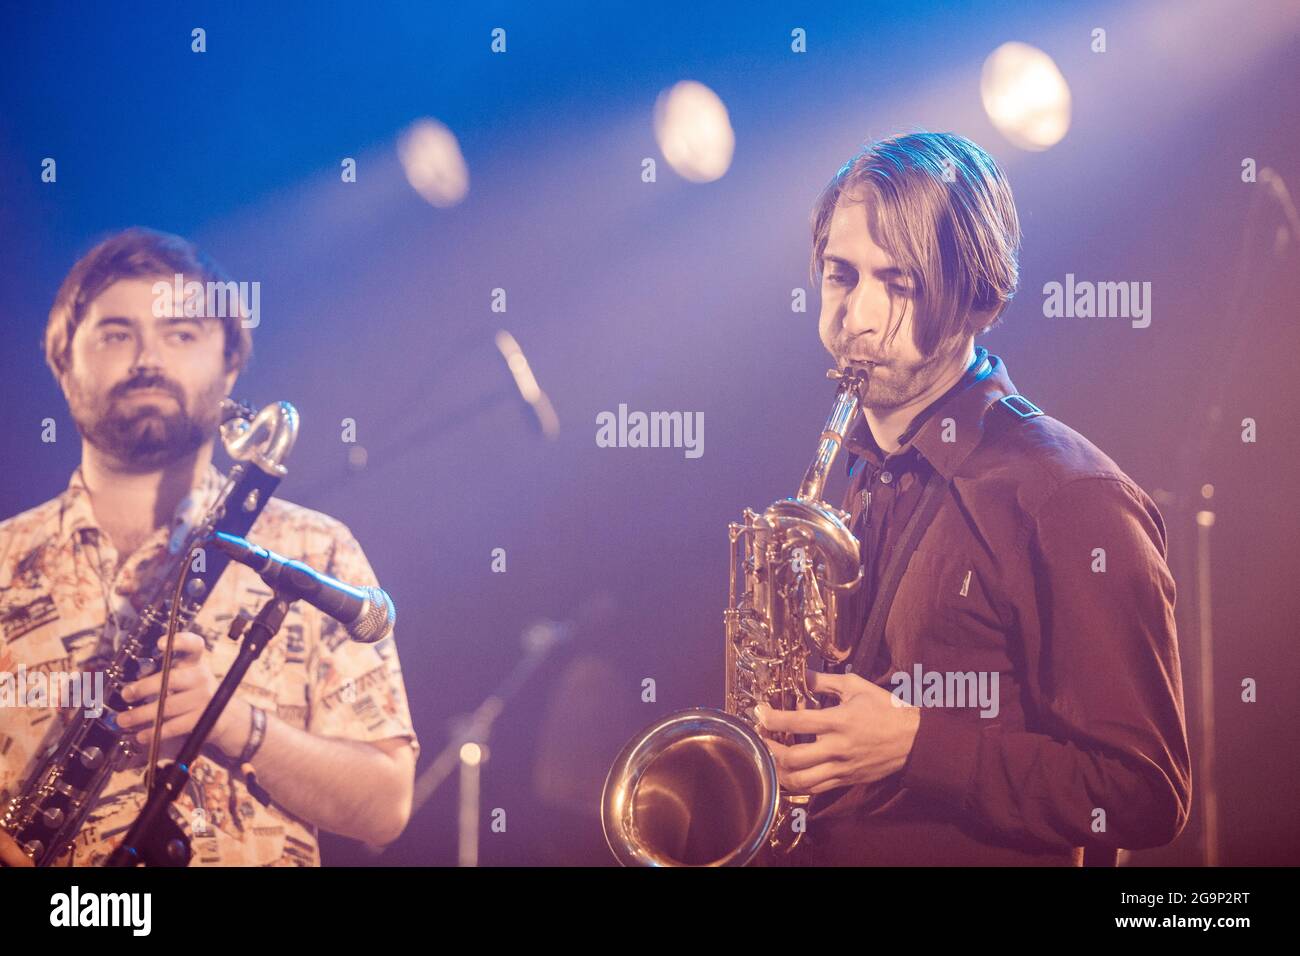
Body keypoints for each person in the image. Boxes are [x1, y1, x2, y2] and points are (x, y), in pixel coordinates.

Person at [754, 132, 1192, 865]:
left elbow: (1144, 794)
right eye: (840, 275)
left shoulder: (1070, 497)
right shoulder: (861, 475)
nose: (857, 319)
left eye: (899, 284)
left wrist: (916, 747)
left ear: (975, 295)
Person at [0, 228, 418, 866]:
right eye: (116, 333)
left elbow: (384, 809)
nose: (147, 358)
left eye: (181, 334)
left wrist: (231, 724)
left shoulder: (315, 550)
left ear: (229, 365)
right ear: (62, 362)